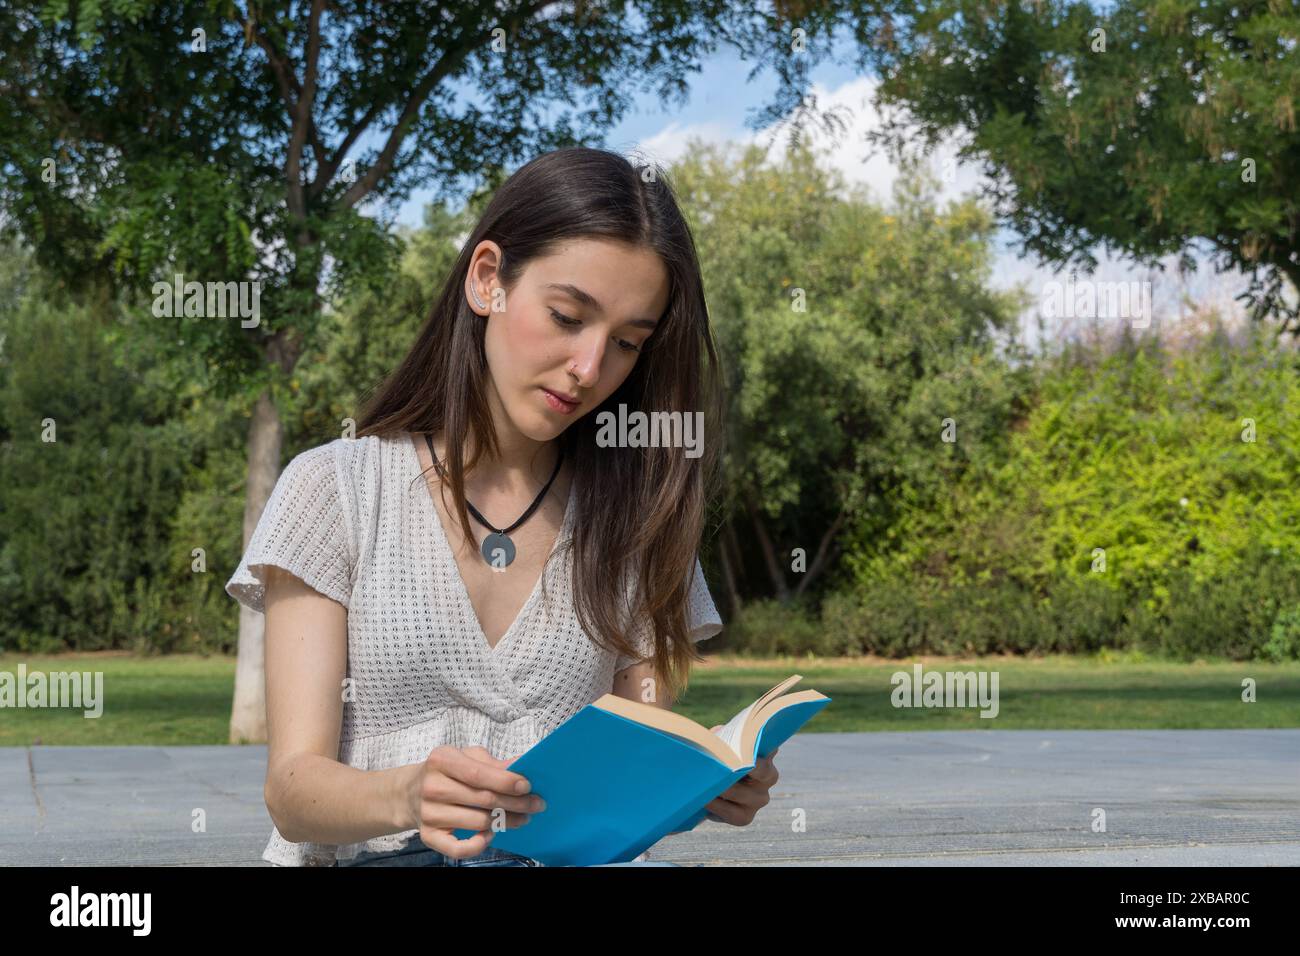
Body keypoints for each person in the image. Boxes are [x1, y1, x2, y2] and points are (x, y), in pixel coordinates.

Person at [225, 146, 780, 868]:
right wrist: (409, 795)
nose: (589, 369)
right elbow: (293, 791)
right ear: (488, 279)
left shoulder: (641, 520)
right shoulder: (335, 489)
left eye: (625, 343)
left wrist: (691, 791)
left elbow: (623, 780)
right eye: (566, 315)